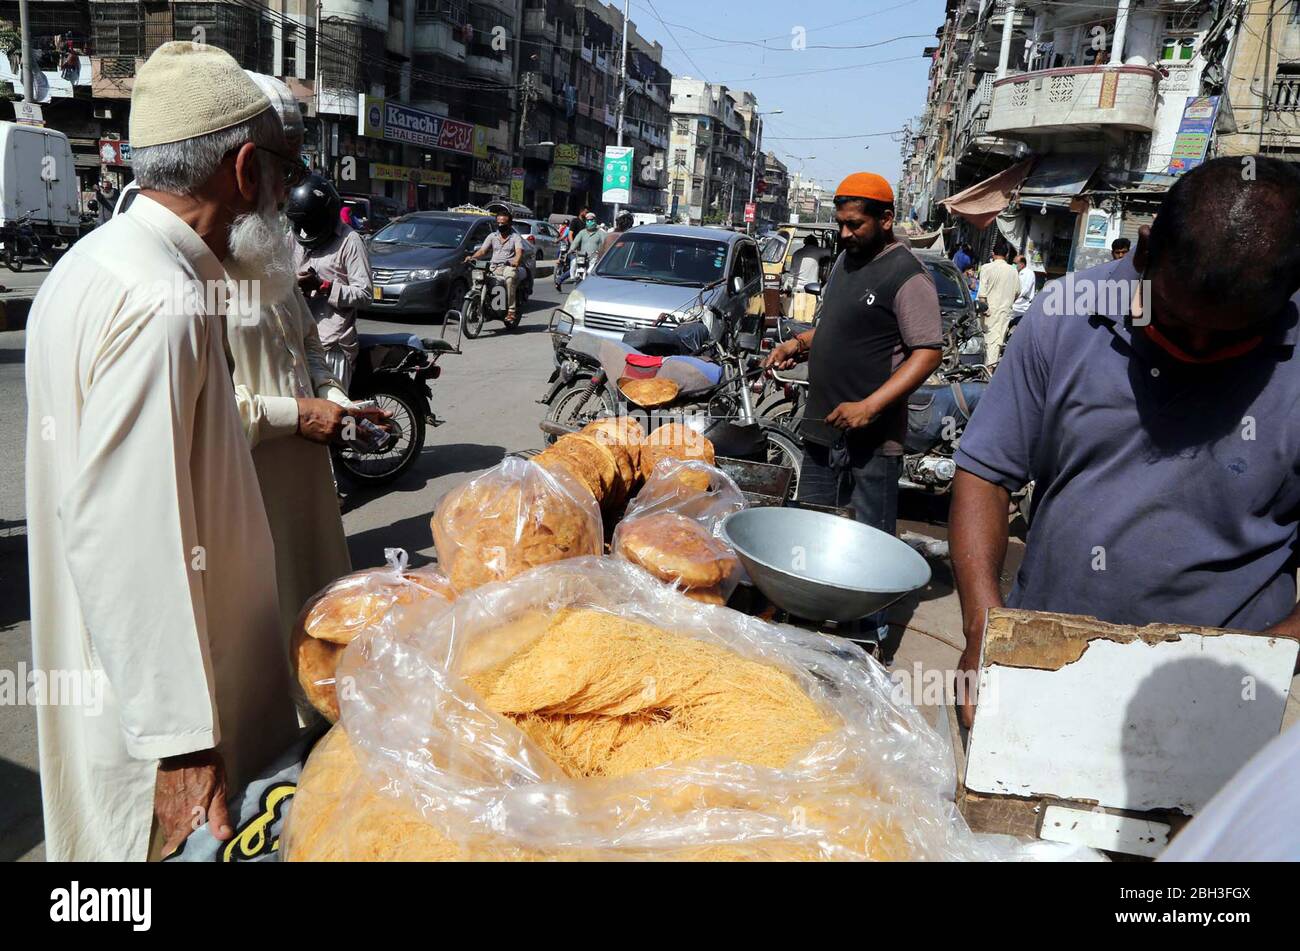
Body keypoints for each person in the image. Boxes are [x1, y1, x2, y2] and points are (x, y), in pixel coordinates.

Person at [25, 41, 301, 861]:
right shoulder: (162, 301)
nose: (288, 197)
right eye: (281, 171)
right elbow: (124, 532)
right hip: (169, 727)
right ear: (246, 170)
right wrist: (181, 743)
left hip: (127, 688)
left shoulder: (95, 265)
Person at [949, 157, 1300, 728]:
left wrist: (1265, 659)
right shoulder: (1064, 316)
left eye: (1230, 335)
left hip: (1219, 707)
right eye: (1178, 323)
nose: (1198, 348)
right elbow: (986, 472)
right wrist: (983, 633)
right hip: (1042, 667)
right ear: (1145, 251)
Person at [226, 73, 381, 678]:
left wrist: (336, 402)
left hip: (307, 478)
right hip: (251, 489)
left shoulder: (270, 260)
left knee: (314, 615)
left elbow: (311, 350)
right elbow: (207, 412)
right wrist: (300, 414)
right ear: (246, 172)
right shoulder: (193, 279)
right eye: (283, 173)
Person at [764, 172, 943, 646]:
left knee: (870, 542)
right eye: (840, 224)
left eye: (854, 224)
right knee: (819, 529)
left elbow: (927, 351)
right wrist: (800, 343)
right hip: (823, 424)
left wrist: (870, 406)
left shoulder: (908, 275)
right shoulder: (846, 259)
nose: (844, 233)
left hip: (872, 436)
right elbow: (840, 327)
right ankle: (816, 625)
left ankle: (869, 636)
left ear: (886, 219)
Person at [288, 174, 372, 394]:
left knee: (332, 417)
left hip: (331, 346)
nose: (306, 229)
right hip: (298, 340)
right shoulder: (295, 236)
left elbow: (365, 294)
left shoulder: (350, 242)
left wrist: (324, 286)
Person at [465, 208, 525, 322]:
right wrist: (473, 257)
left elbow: (519, 251)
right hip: (493, 267)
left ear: (510, 224)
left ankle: (511, 311)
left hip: (508, 267)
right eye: (499, 223)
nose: (501, 225)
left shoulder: (515, 237)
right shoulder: (492, 236)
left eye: (503, 223)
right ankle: (480, 304)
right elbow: (482, 251)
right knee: (479, 278)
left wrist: (516, 260)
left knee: (510, 278)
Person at [976, 243, 1018, 365]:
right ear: (1007, 255)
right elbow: (1017, 292)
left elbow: (982, 294)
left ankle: (986, 370)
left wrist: (984, 309)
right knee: (996, 342)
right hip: (1004, 312)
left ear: (993, 253)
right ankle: (988, 369)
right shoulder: (1013, 271)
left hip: (988, 311)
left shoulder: (986, 268)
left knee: (987, 341)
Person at [789, 234, 832, 322]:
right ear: (815, 243)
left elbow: (792, 271)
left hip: (796, 289)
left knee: (797, 320)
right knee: (808, 320)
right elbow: (832, 252)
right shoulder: (816, 250)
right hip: (810, 291)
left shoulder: (796, 253)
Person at [567, 210, 606, 278]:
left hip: (594, 258)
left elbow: (605, 244)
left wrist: (601, 252)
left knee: (590, 272)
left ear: (595, 220)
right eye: (588, 220)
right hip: (582, 257)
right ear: (585, 221)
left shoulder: (600, 233)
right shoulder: (582, 232)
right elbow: (575, 242)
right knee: (573, 263)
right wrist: (570, 250)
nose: (589, 222)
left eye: (591, 220)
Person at [1011, 253, 1036, 320]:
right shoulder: (1016, 272)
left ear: (1022, 264)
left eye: (1015, 263)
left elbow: (1024, 290)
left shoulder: (1028, 273)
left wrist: (1012, 299)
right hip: (1014, 307)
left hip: (1021, 308)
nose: (1013, 265)